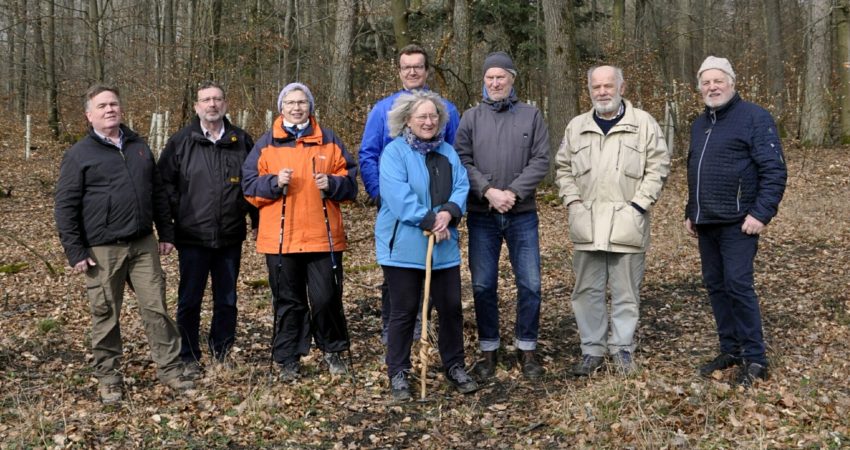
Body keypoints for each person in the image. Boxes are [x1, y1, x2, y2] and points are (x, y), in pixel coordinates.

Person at [54, 84, 194, 404]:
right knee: (105, 313)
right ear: (89, 115)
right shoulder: (78, 155)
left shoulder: (139, 146)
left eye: (113, 104)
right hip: (103, 249)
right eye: (101, 106)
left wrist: (167, 233)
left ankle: (170, 369)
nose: (109, 110)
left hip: (143, 244)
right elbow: (64, 206)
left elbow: (157, 193)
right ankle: (109, 377)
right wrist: (75, 251)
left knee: (156, 308)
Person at [555, 65, 671, 377]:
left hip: (627, 222)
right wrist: (573, 202)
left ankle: (622, 350)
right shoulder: (576, 126)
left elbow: (658, 166)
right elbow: (563, 168)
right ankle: (592, 349)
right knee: (587, 291)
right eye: (597, 87)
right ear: (589, 90)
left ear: (622, 87)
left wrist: (638, 204)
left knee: (626, 292)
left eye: (608, 85)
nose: (603, 92)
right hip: (587, 223)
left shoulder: (643, 124)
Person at [242, 82, 357, 381]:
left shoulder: (329, 140)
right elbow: (248, 186)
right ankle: (288, 358)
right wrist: (273, 183)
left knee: (326, 297)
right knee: (288, 302)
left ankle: (333, 351)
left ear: (310, 106)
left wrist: (333, 184)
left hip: (323, 237)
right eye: (290, 103)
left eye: (302, 102)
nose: (296, 108)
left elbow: (352, 182)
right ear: (281, 108)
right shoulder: (265, 144)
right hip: (280, 239)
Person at [685, 56, 787, 387]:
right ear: (699, 87)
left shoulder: (755, 118)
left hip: (739, 223)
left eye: (718, 80)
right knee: (715, 286)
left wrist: (762, 212)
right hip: (707, 222)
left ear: (732, 82)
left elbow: (774, 169)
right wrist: (691, 210)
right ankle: (731, 349)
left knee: (738, 286)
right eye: (706, 82)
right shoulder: (700, 123)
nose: (712, 87)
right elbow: (695, 170)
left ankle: (756, 358)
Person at [376, 90, 477, 401]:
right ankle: (398, 372)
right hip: (403, 248)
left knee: (450, 308)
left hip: (443, 247)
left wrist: (448, 213)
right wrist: (431, 220)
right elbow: (398, 198)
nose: (428, 121)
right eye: (422, 116)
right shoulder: (394, 153)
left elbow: (461, 186)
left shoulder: (448, 153)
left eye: (433, 116)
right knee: (404, 310)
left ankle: (454, 365)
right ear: (408, 119)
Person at [359, 44, 461, 349]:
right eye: (407, 67)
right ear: (400, 71)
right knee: (398, 281)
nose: (413, 71)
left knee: (435, 274)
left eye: (418, 66)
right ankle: (395, 339)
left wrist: (446, 210)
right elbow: (368, 153)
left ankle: (426, 335)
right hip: (398, 213)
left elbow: (454, 156)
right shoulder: (383, 110)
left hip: (439, 213)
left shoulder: (446, 110)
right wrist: (381, 195)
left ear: (427, 70)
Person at [455, 51, 550, 381]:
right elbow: (461, 160)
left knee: (531, 284)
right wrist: (488, 191)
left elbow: (540, 160)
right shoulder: (471, 118)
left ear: (512, 79)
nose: (495, 83)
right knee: (482, 285)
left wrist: (513, 193)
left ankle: (527, 350)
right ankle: (488, 351)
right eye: (489, 78)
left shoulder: (531, 115)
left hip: (522, 213)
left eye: (501, 77)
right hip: (482, 214)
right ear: (484, 81)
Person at [157, 81, 257, 378]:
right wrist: (178, 216)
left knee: (226, 298)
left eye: (217, 99)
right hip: (193, 236)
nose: (212, 104)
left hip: (230, 234)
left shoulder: (242, 140)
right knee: (190, 299)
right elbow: (164, 185)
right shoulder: (181, 141)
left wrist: (255, 221)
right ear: (197, 106)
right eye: (206, 100)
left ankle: (222, 352)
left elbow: (253, 184)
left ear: (226, 104)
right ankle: (188, 354)